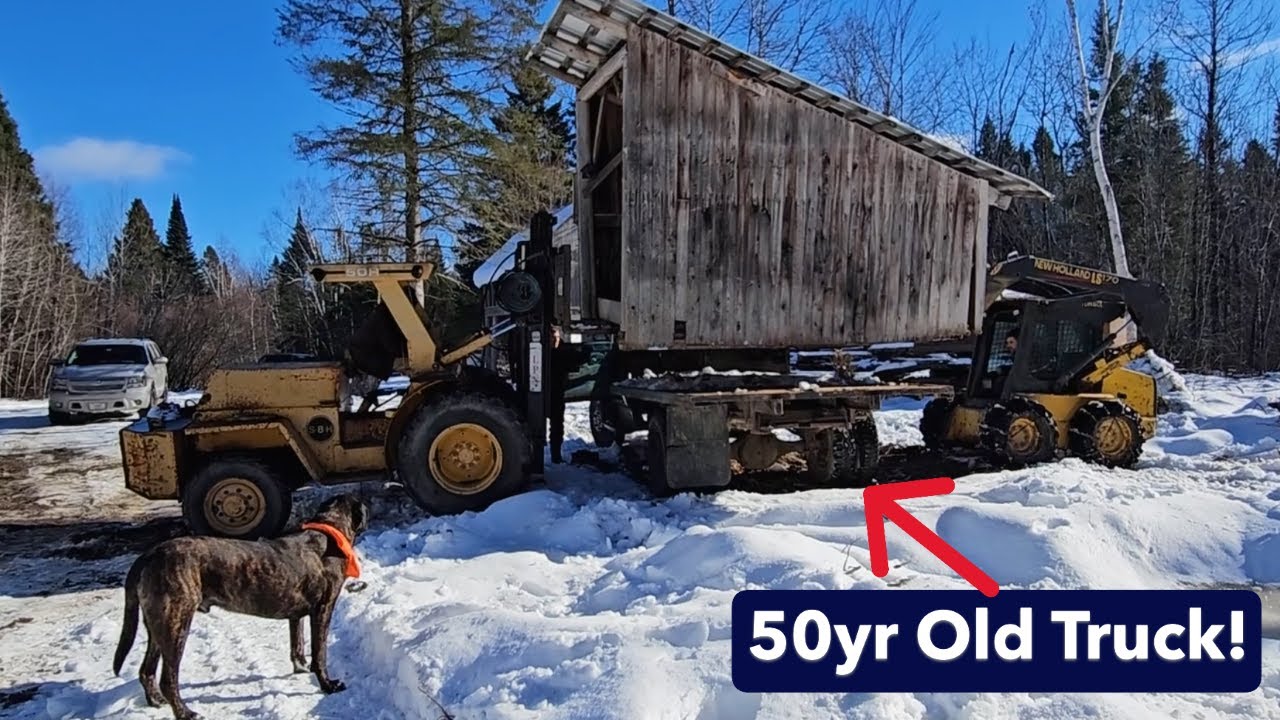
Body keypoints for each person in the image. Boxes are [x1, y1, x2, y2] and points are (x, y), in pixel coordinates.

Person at [546, 325, 589, 464]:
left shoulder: (562, 351)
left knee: (557, 426)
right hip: (543, 393)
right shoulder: (544, 353)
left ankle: (555, 455)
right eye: (551, 336)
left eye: (555, 336)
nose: (554, 339)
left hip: (557, 393)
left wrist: (586, 350)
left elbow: (578, 358)